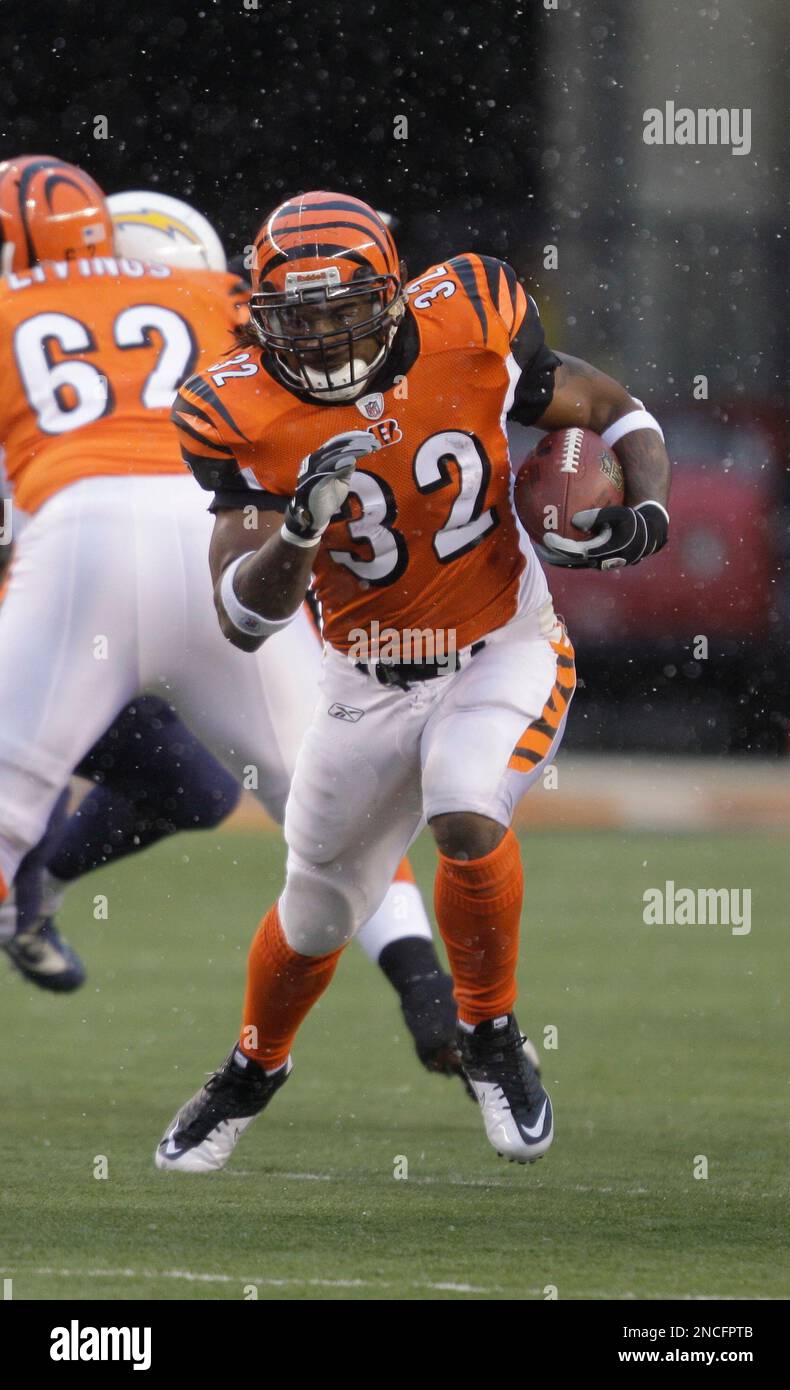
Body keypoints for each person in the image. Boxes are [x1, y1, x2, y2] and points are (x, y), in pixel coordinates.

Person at [156, 190, 671, 1171]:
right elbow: (243, 615)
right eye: (296, 316)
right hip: (361, 678)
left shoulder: (470, 316)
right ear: (259, 318)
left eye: (341, 307)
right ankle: (252, 1070)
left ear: (390, 294)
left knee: (465, 806)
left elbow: (611, 409)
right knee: (314, 909)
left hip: (500, 646)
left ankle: (490, 1036)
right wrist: (301, 530)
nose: (319, 334)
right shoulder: (232, 406)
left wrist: (643, 507)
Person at [0, 165, 462, 1077]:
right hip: (206, 535)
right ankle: (429, 995)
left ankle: (32, 897)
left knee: (18, 803)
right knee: (325, 805)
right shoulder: (203, 292)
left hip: (77, 538)